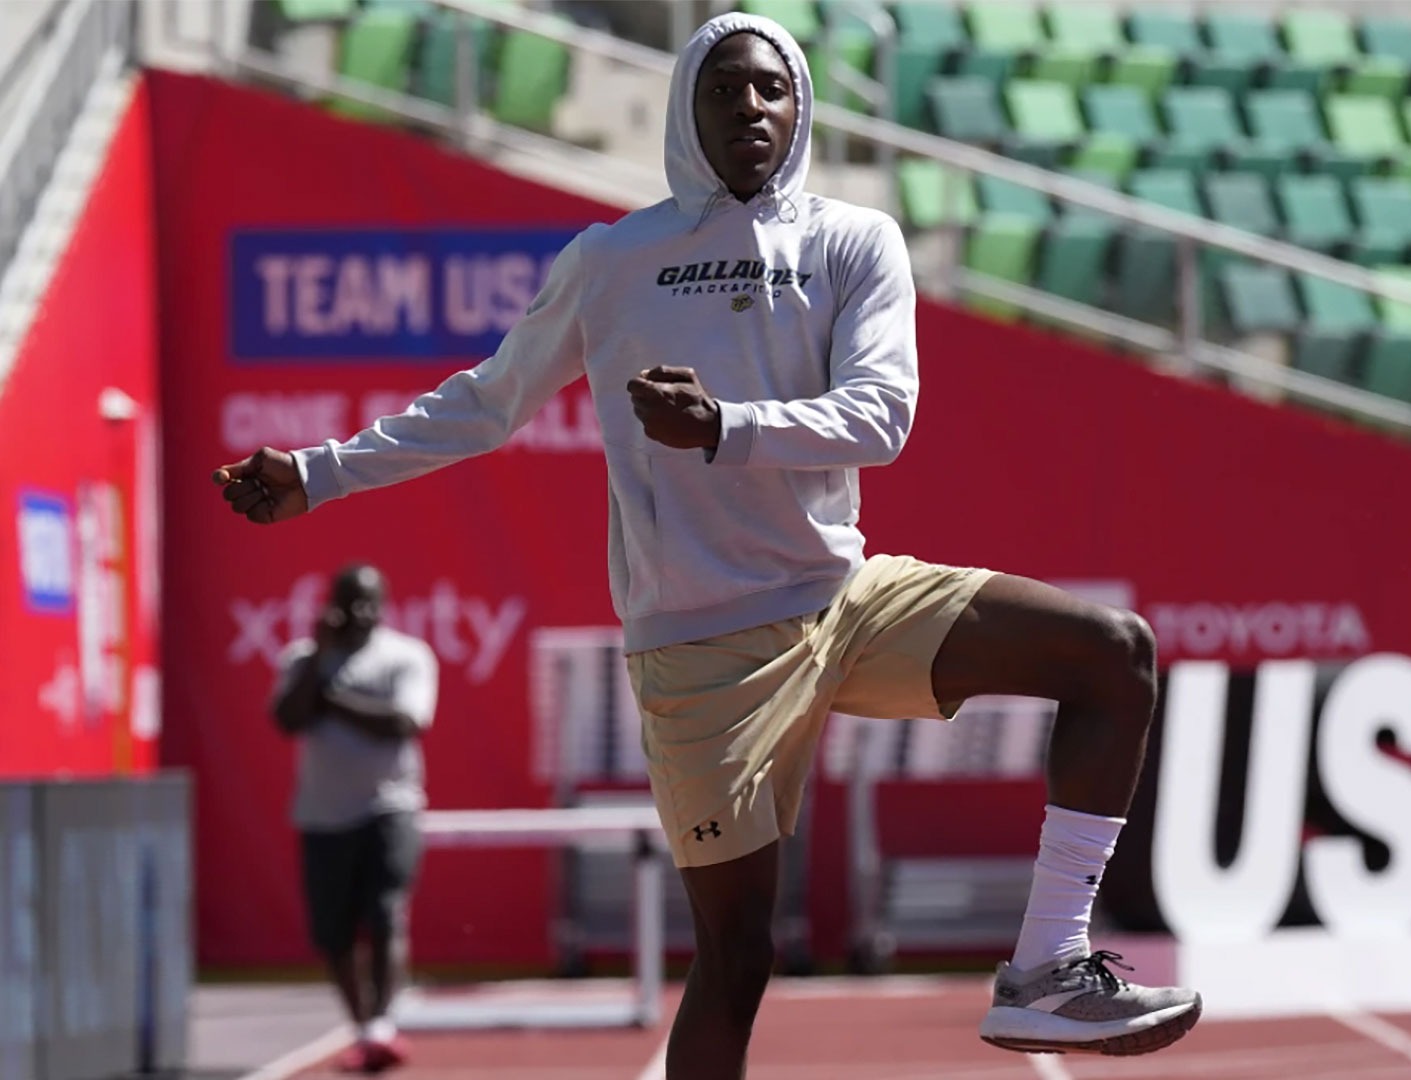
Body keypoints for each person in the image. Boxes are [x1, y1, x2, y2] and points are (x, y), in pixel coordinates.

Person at [214, 13, 1200, 1076]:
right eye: (724, 90)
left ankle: (1048, 966)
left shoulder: (854, 239)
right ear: (687, 113)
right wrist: (320, 471)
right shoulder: (612, 260)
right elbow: (488, 403)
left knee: (1113, 653)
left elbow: (882, 416)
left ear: (802, 108)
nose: (751, 109)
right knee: (736, 959)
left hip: (844, 602)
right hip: (701, 649)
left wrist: (724, 425)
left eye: (773, 89)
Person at [268, 563, 438, 1074]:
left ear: (384, 605)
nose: (359, 612)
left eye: (369, 602)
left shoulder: (406, 656)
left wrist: (332, 699)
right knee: (334, 931)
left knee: (385, 910)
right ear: (331, 604)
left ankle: (382, 1023)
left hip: (389, 805)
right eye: (349, 602)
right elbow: (287, 719)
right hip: (323, 815)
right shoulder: (304, 658)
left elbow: (402, 723)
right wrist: (319, 660)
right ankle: (364, 1028)